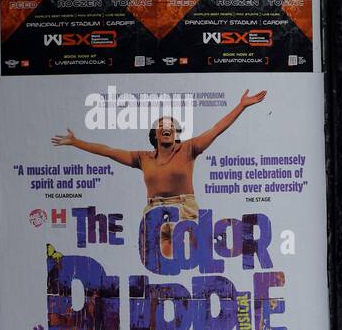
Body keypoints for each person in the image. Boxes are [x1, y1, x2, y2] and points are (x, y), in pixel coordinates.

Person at [52, 91, 268, 253]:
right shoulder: (142, 158)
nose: (167, 127)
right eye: (162, 126)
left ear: (175, 134)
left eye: (171, 126)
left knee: (185, 254)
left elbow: (216, 129)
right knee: (161, 259)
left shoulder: (189, 149)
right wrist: (75, 142)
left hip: (184, 208)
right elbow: (108, 151)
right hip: (154, 211)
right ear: (155, 134)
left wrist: (241, 106)